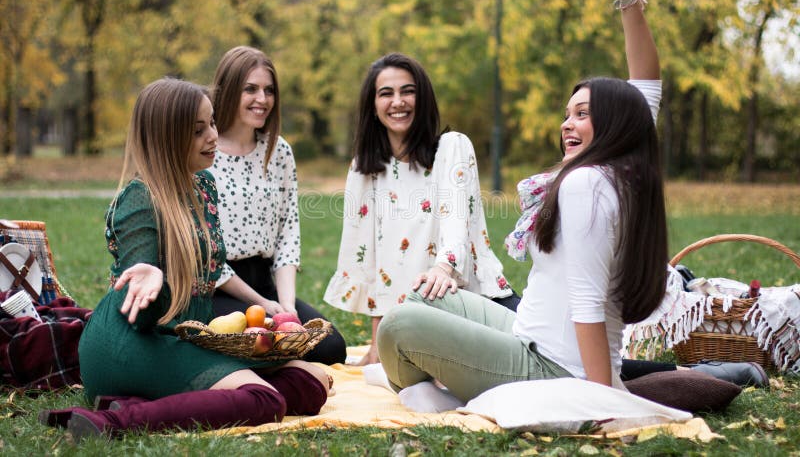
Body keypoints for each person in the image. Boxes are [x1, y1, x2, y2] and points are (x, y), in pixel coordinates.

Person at [376, 0, 678, 401]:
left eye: (582, 114)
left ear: (616, 124)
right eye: (566, 114)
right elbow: (647, 84)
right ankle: (451, 385)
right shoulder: (623, 168)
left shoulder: (587, 186)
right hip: (525, 333)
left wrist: (601, 397)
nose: (566, 125)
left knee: (399, 325)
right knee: (422, 297)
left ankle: (435, 396)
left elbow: (587, 301)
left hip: (551, 367)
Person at [40, 78, 331, 439]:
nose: (212, 136)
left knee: (314, 381)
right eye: (197, 130)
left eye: (211, 124)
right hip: (129, 342)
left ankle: (136, 404)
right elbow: (141, 313)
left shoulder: (203, 185)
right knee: (265, 400)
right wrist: (153, 277)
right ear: (166, 137)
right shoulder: (139, 200)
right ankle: (112, 422)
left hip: (181, 336)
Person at [324, 53, 519, 366]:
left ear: (423, 98)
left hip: (475, 303)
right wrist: (377, 345)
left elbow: (456, 222)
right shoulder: (365, 170)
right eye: (386, 93)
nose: (398, 101)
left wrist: (443, 269)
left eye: (408, 91)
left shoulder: (451, 147)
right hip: (419, 325)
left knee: (557, 356)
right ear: (373, 107)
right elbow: (373, 263)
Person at [208, 46, 346, 365]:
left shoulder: (278, 151)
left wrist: (287, 308)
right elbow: (207, 255)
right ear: (228, 91)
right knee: (259, 348)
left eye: (269, 90)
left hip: (267, 284)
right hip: (220, 290)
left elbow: (288, 233)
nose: (263, 99)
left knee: (330, 346)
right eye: (251, 89)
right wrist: (261, 304)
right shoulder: (205, 152)